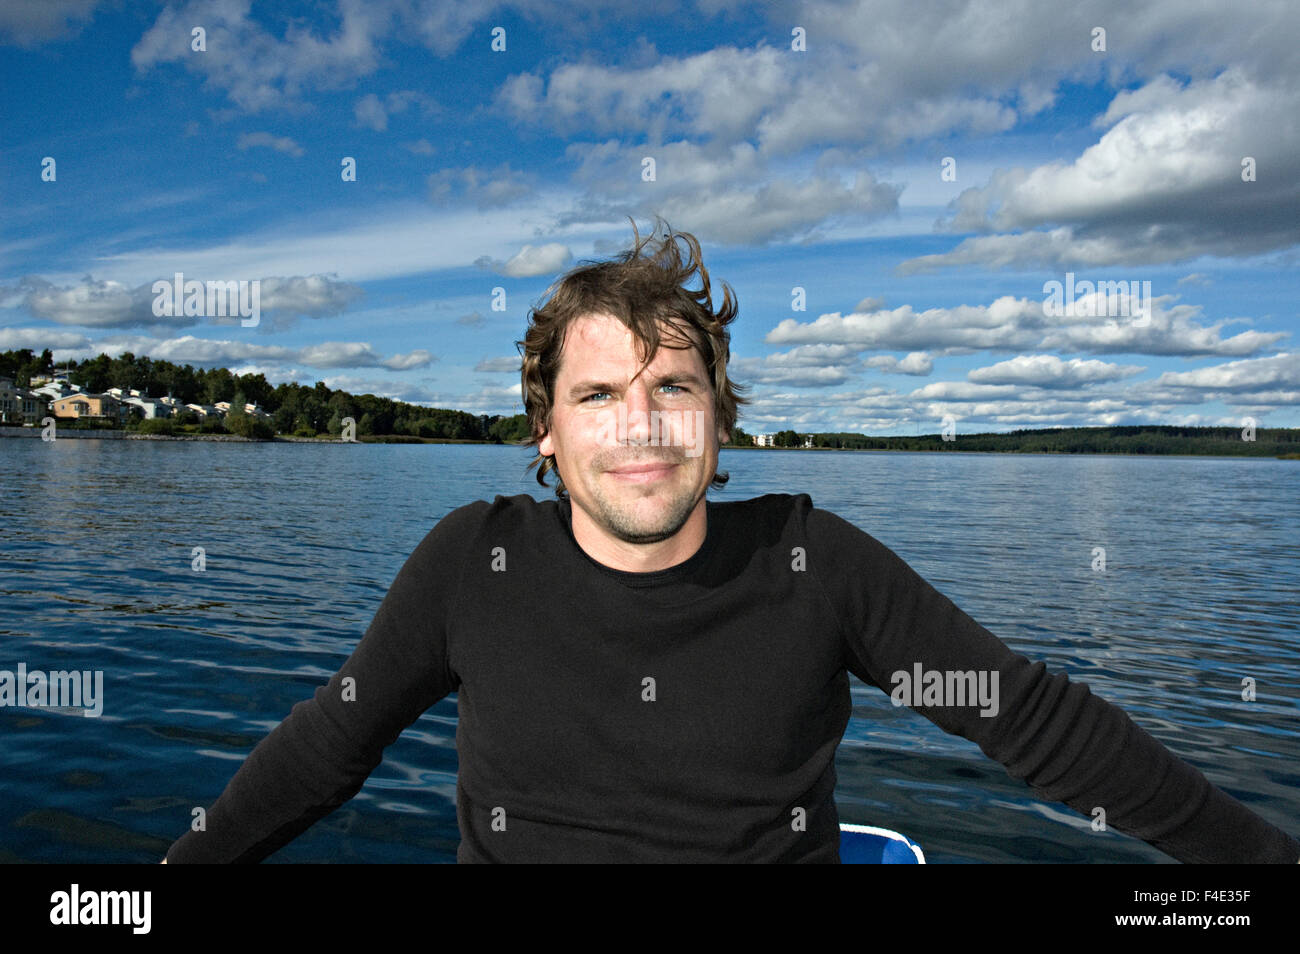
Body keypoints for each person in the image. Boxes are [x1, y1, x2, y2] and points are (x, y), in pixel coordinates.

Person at [163, 220, 1300, 863]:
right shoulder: (474, 562)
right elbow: (328, 747)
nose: (643, 425)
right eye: (600, 393)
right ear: (546, 434)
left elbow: (1034, 722)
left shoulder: (814, 564)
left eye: (674, 386)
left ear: (720, 418)